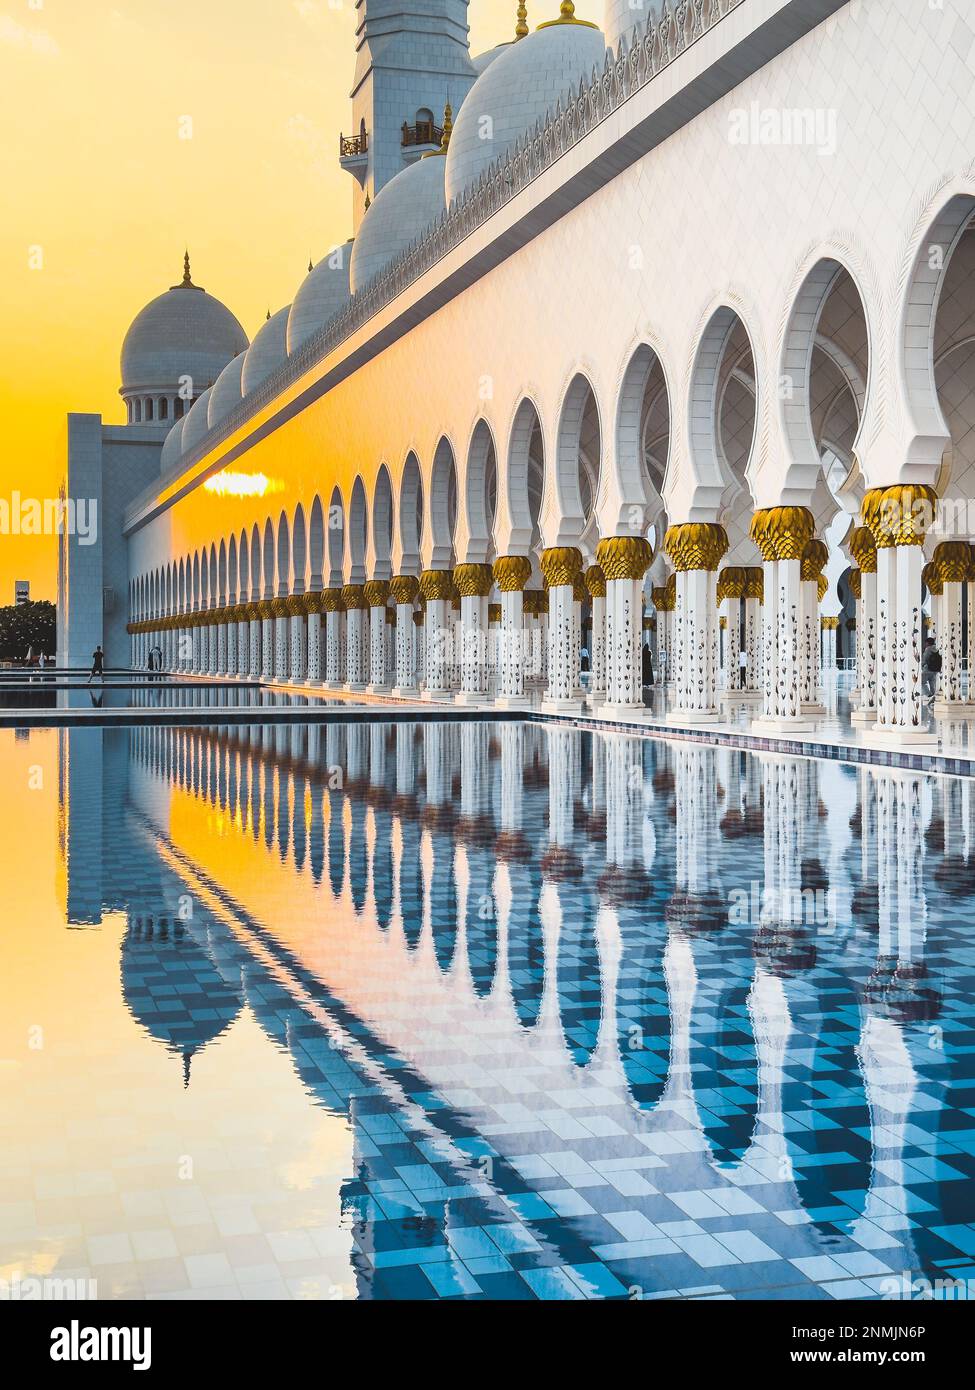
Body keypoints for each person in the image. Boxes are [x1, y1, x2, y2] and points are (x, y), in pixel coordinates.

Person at [922, 637, 941, 703]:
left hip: (927, 669)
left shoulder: (928, 649)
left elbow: (925, 659)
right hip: (935, 670)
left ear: (928, 643)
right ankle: (933, 696)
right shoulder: (936, 648)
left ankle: (929, 695)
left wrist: (922, 665)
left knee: (922, 682)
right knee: (932, 683)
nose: (925, 644)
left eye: (926, 642)